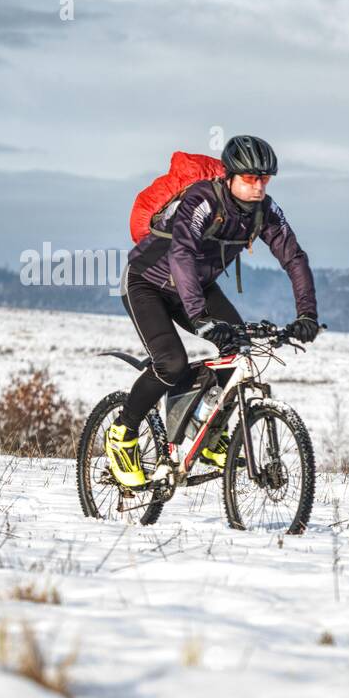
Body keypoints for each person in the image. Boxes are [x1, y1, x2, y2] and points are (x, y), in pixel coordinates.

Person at [106, 135, 319, 488]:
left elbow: (294, 258)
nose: (258, 186)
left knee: (238, 349)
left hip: (197, 288)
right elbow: (181, 255)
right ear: (231, 176)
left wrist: (306, 315)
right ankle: (122, 434)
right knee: (170, 363)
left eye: (264, 179)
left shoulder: (265, 212)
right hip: (148, 283)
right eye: (250, 178)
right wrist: (201, 317)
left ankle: (208, 427)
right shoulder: (203, 199)